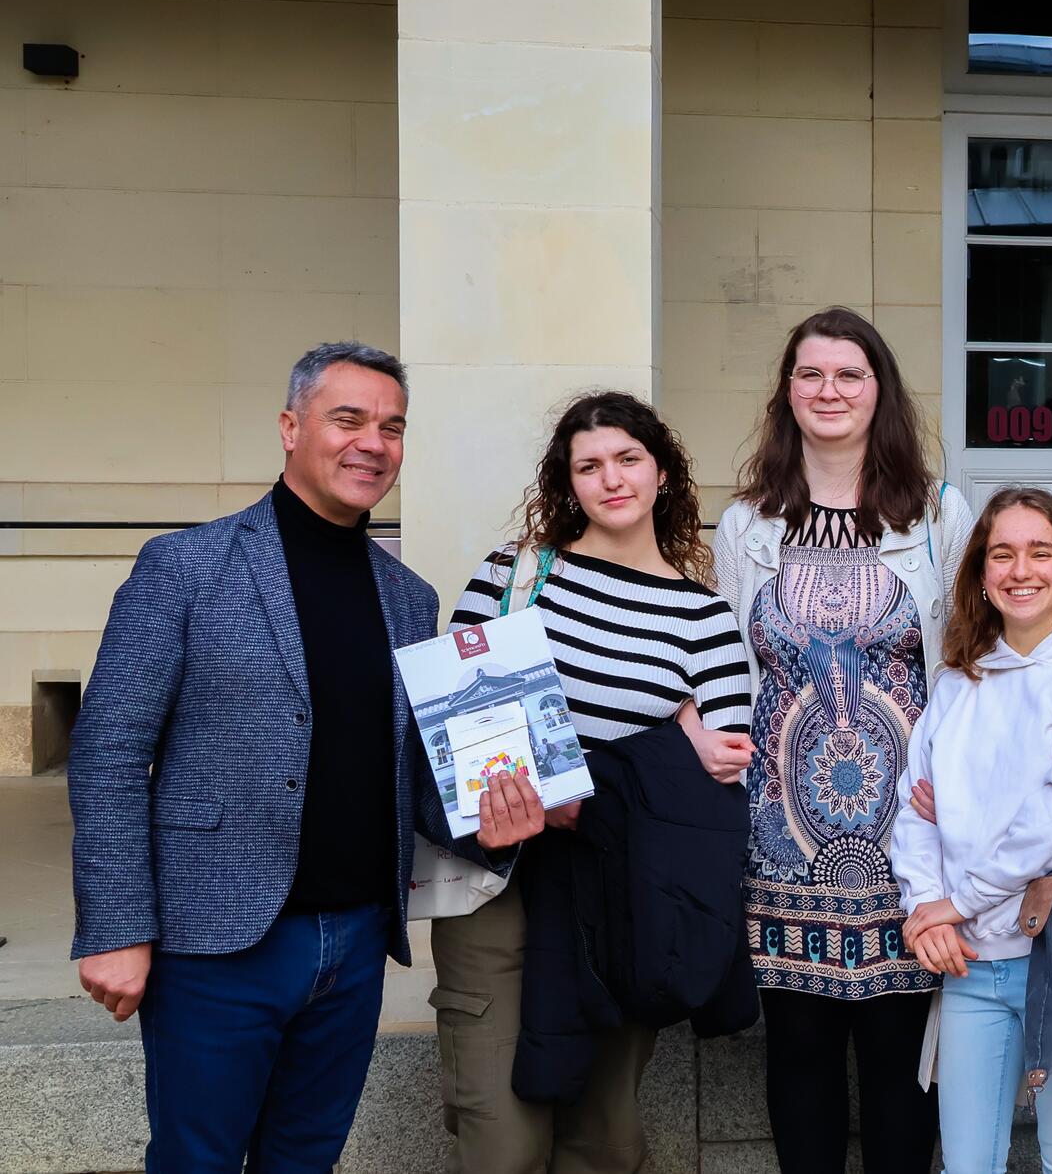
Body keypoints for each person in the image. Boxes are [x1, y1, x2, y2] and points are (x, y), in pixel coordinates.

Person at [68, 342, 539, 1172]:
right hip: (215, 943)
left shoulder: (409, 596)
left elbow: (409, 774)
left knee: (305, 1161)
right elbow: (108, 754)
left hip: (354, 943)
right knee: (195, 1160)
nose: (373, 442)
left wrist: (493, 817)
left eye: (392, 427)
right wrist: (117, 927)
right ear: (291, 428)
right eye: (347, 419)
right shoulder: (184, 567)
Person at [434, 391, 754, 1174]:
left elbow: (715, 784)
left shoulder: (704, 620)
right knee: (499, 1139)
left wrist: (612, 780)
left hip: (623, 893)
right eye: (589, 465)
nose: (611, 479)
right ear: (567, 483)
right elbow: (451, 720)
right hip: (495, 882)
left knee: (603, 1143)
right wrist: (662, 741)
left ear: (664, 474)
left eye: (628, 459)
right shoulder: (516, 577)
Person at [714, 306, 971, 1174]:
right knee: (800, 1056)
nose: (829, 390)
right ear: (788, 391)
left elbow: (970, 659)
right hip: (783, 841)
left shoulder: (937, 512)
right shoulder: (749, 522)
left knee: (903, 1068)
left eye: (849, 374)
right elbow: (726, 665)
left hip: (909, 842)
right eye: (811, 374)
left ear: (879, 390)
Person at [890, 488, 1052, 1174]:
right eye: (1001, 553)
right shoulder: (955, 683)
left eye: (1041, 552)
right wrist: (925, 908)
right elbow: (912, 809)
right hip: (969, 962)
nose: (1020, 569)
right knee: (969, 1163)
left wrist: (961, 891)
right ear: (980, 574)